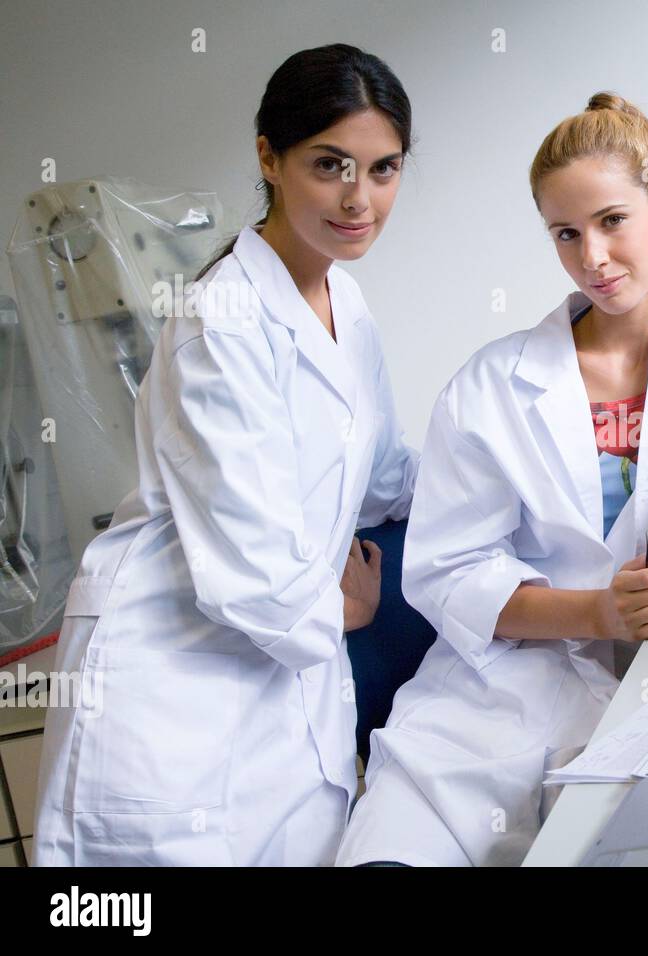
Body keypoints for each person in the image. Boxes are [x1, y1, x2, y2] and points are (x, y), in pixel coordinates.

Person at [336, 92, 648, 866]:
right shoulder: (491, 386)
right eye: (566, 234)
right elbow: (447, 574)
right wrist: (600, 612)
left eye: (613, 221)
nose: (593, 258)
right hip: (489, 706)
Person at [33, 43, 419, 866]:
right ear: (268, 160)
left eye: (384, 169)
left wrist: (499, 474)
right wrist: (346, 610)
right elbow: (259, 585)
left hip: (280, 691)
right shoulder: (223, 322)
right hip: (172, 688)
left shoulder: (343, 301)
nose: (361, 199)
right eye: (331, 165)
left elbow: (382, 476)